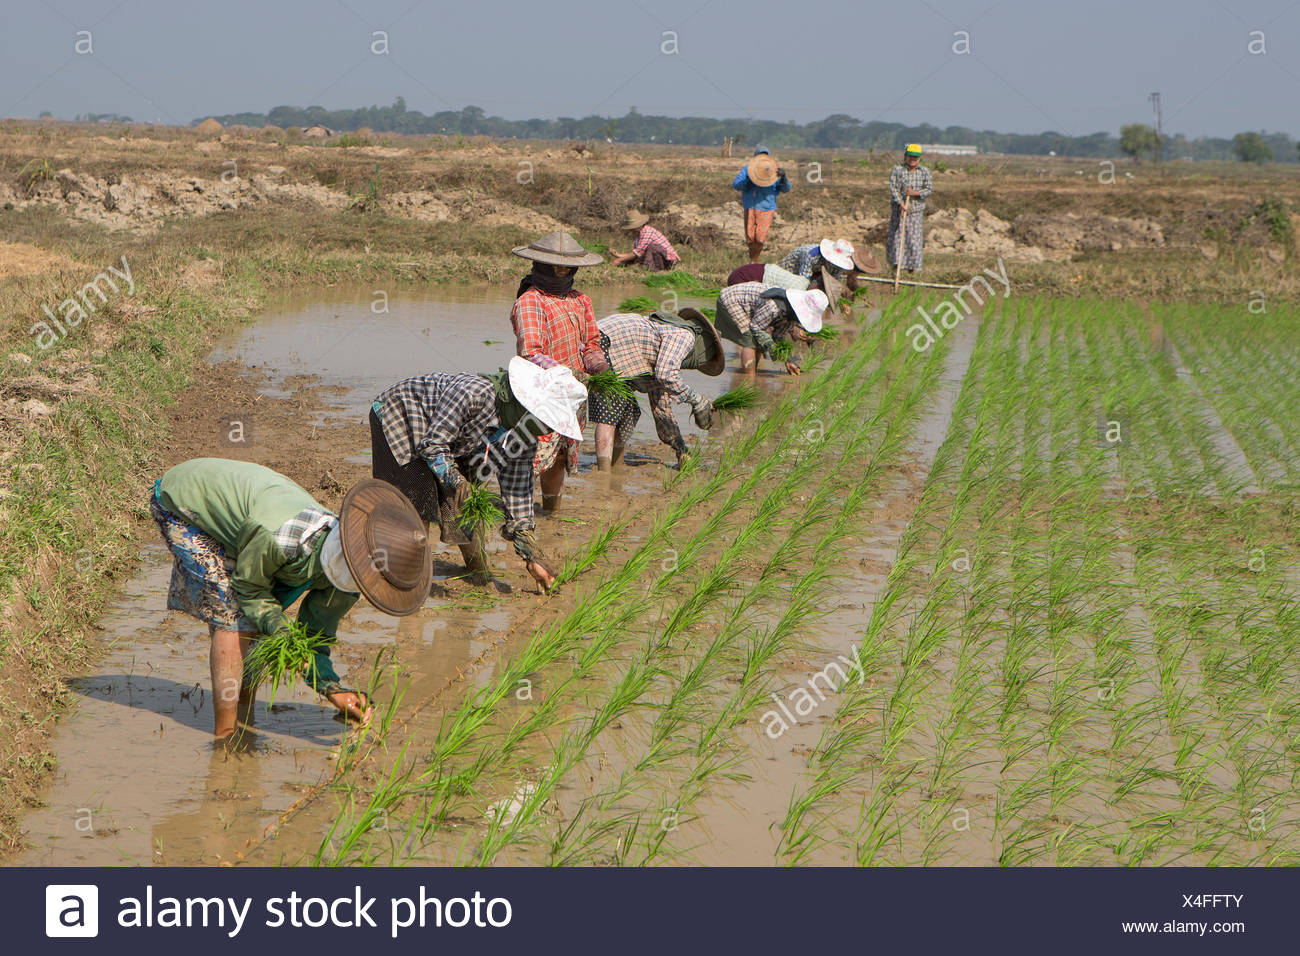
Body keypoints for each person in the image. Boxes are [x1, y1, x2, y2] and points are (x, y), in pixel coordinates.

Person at [150, 459, 432, 738]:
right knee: (235, 619)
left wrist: (331, 687)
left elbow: (314, 636)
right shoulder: (278, 538)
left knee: (260, 619)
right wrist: (281, 630)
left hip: (250, 520)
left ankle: (245, 708)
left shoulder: (350, 578)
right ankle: (226, 734)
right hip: (185, 499)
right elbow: (250, 589)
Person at [370, 356, 588, 593]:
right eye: (548, 421)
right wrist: (456, 481)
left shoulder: (524, 431)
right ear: (529, 405)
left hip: (455, 439)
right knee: (420, 500)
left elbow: (518, 491)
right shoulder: (474, 394)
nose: (548, 429)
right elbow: (433, 446)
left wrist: (530, 553)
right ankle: (408, 581)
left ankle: (478, 571)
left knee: (468, 500)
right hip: (401, 416)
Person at [508, 230, 608, 515]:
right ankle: (521, 515)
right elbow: (531, 353)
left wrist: (599, 367)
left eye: (567, 267)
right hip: (539, 392)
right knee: (534, 456)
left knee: (561, 455)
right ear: (540, 266)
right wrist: (567, 374)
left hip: (572, 394)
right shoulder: (531, 300)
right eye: (557, 267)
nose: (563, 272)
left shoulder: (580, 301)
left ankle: (552, 511)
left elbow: (591, 343)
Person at [590, 308, 725, 470]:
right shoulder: (685, 336)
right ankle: (603, 475)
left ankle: (616, 467)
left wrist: (679, 447)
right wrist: (697, 400)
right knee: (610, 412)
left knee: (628, 411)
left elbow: (662, 409)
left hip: (609, 344)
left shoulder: (660, 352)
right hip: (603, 342)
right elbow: (666, 374)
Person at [713, 282, 827, 375]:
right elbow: (756, 327)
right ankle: (748, 381)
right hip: (731, 300)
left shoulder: (791, 314)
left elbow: (778, 336)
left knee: (759, 343)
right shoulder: (774, 306)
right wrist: (771, 347)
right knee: (750, 341)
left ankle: (752, 374)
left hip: (748, 307)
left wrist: (788, 360)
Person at [733, 146, 791, 262]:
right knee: (750, 237)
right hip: (751, 205)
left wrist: (784, 178)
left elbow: (786, 189)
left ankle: (755, 259)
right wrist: (751, 178)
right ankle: (753, 260)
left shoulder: (774, 171)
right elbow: (736, 184)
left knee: (760, 238)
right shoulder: (747, 169)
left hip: (767, 207)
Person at [887, 144, 933, 273]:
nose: (912, 159)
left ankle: (913, 267)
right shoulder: (898, 170)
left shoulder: (924, 172)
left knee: (914, 239)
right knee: (897, 237)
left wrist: (915, 193)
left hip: (916, 211)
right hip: (899, 209)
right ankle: (897, 265)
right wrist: (901, 203)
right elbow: (893, 188)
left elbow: (928, 189)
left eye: (915, 157)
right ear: (905, 156)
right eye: (910, 156)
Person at [778, 238, 880, 281]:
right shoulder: (811, 255)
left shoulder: (838, 266)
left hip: (810, 274)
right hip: (789, 273)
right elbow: (802, 281)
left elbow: (833, 282)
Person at [609, 210, 681, 271]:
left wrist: (618, 260)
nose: (632, 231)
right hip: (658, 258)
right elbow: (636, 253)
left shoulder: (647, 232)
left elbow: (637, 253)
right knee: (632, 260)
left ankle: (655, 269)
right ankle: (649, 267)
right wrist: (617, 255)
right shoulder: (638, 236)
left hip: (668, 260)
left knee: (652, 247)